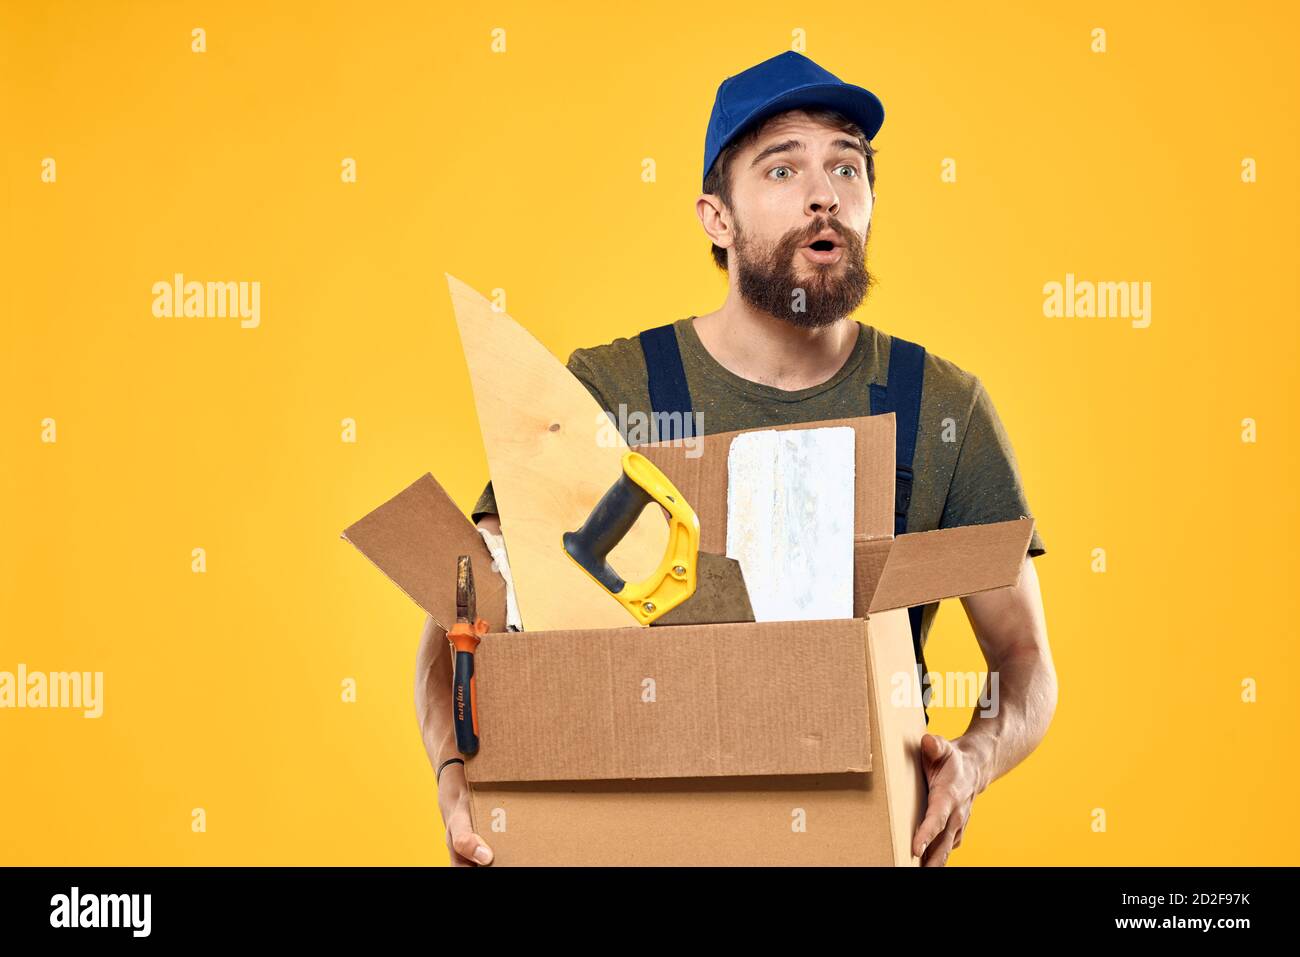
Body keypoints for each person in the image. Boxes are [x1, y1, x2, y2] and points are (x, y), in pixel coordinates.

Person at [422, 50, 1056, 867]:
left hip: (854, 842)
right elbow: (459, 620)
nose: (824, 192)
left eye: (847, 167)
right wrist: (452, 774)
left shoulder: (939, 406)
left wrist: (973, 761)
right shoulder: (612, 391)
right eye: (782, 168)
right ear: (716, 218)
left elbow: (1027, 662)